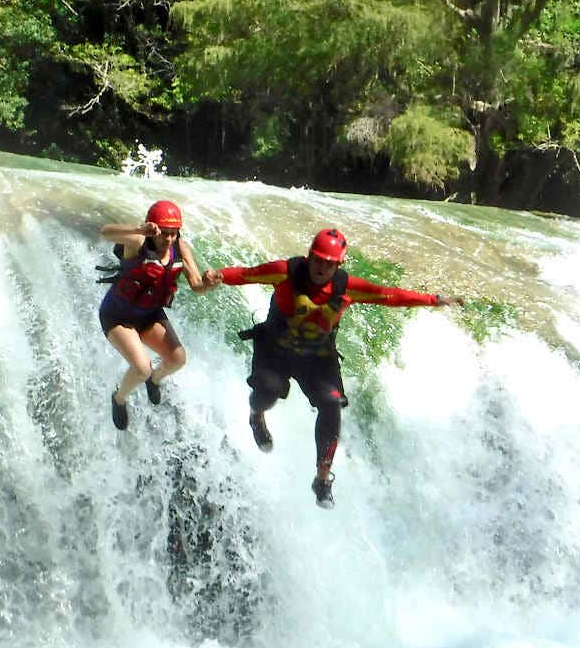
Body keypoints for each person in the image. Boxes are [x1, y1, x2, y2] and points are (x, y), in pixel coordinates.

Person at [203, 228, 464, 509]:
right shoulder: (285, 272)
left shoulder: (347, 287)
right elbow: (246, 274)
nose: (321, 268)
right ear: (309, 256)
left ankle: (323, 478)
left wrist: (433, 300)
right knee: (267, 391)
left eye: (329, 263)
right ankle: (256, 416)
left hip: (317, 357)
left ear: (339, 264)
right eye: (317, 260)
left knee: (332, 403)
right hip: (275, 348)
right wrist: (218, 275)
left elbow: (388, 296)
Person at [98, 200, 209, 431]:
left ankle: (155, 380)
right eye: (164, 233)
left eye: (173, 233)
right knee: (141, 368)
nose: (168, 239)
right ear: (153, 228)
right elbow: (105, 232)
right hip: (118, 316)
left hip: (149, 315)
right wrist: (138, 229)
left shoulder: (181, 247)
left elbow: (197, 285)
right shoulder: (138, 242)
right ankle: (118, 398)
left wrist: (209, 284)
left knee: (178, 359)